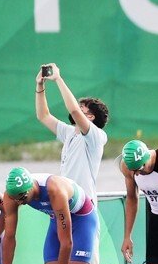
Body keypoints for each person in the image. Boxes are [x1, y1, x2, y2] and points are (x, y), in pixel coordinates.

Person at [34, 63, 109, 201]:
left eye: (82, 108)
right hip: (66, 198)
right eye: (78, 106)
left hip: (84, 201)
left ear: (91, 117)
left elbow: (73, 110)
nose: (76, 109)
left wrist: (58, 79)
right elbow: (43, 116)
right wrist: (40, 85)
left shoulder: (96, 135)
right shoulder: (69, 132)